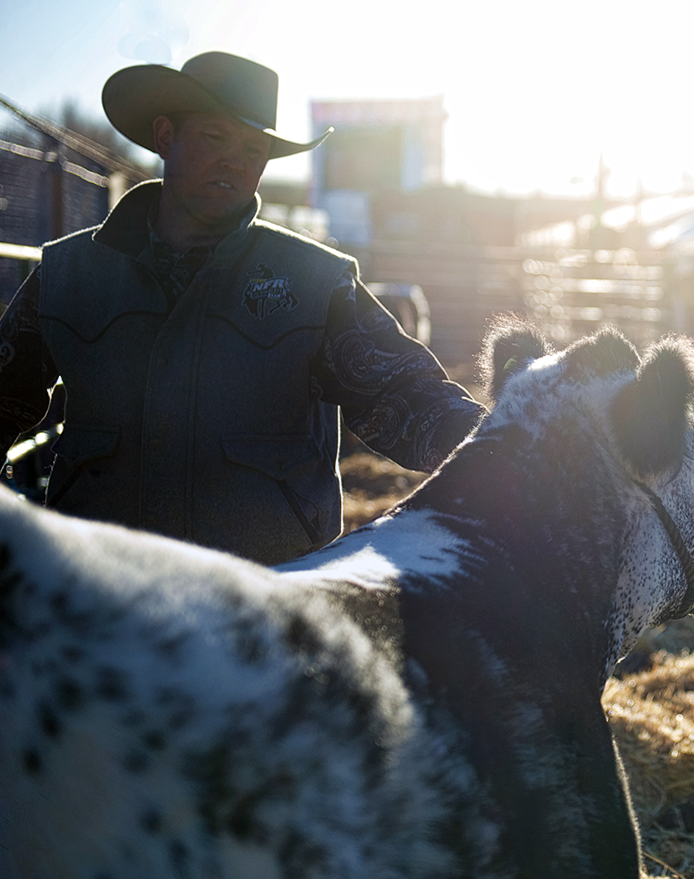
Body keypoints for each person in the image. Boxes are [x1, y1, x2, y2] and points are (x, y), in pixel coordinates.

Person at [0, 51, 486, 564]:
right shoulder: (68, 274)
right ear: (166, 136)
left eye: (254, 148)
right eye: (215, 138)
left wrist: (521, 456)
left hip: (265, 608)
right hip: (104, 603)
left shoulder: (314, 283)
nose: (234, 160)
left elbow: (407, 396)